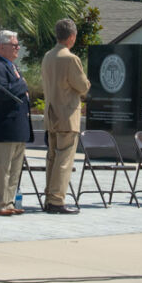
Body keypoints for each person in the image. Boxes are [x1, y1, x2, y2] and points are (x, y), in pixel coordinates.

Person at [40, 17, 89, 215]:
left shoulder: (47, 56)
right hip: (67, 115)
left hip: (51, 114)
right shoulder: (70, 58)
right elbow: (82, 86)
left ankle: (49, 197)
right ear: (71, 36)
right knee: (64, 159)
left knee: (52, 157)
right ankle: (57, 200)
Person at [0, 29, 32, 216]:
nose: (18, 48)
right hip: (3, 128)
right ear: (2, 47)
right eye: (14, 45)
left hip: (16, 128)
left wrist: (20, 83)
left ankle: (9, 202)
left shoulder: (11, 66)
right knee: (1, 169)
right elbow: (4, 92)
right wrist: (23, 84)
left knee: (14, 169)